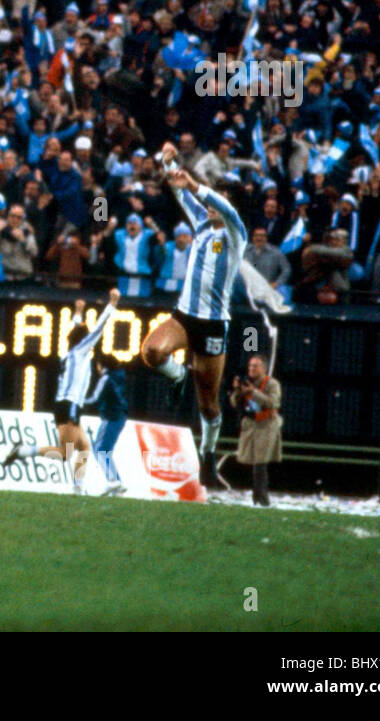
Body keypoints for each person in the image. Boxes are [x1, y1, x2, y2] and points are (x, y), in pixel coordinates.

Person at [140, 142, 248, 489]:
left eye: (218, 200)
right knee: (152, 352)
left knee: (209, 405)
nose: (211, 206)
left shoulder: (236, 233)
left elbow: (217, 204)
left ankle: (208, 454)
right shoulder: (201, 224)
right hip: (185, 317)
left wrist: (195, 185)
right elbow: (179, 189)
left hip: (215, 324)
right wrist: (166, 158)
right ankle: (177, 376)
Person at [4, 290, 121, 496]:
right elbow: (99, 329)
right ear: (84, 341)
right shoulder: (81, 351)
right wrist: (112, 304)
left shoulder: (70, 352)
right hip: (69, 405)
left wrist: (78, 312)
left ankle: (77, 489)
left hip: (67, 404)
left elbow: (76, 331)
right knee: (65, 454)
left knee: (84, 448)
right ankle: (22, 451)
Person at [229, 355, 282, 507]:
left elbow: (273, 402)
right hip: (250, 425)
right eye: (250, 366)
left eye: (255, 366)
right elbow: (234, 403)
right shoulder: (246, 382)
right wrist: (238, 391)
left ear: (263, 368)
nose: (251, 369)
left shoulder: (272, 384)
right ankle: (257, 498)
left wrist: (254, 392)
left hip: (266, 425)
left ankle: (261, 499)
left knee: (260, 462)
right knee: (252, 462)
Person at [83, 352, 130, 496]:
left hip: (111, 416)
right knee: (105, 450)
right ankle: (117, 485)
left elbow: (95, 398)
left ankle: (113, 481)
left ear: (101, 365)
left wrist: (79, 402)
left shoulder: (106, 378)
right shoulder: (119, 376)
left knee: (100, 449)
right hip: (120, 416)